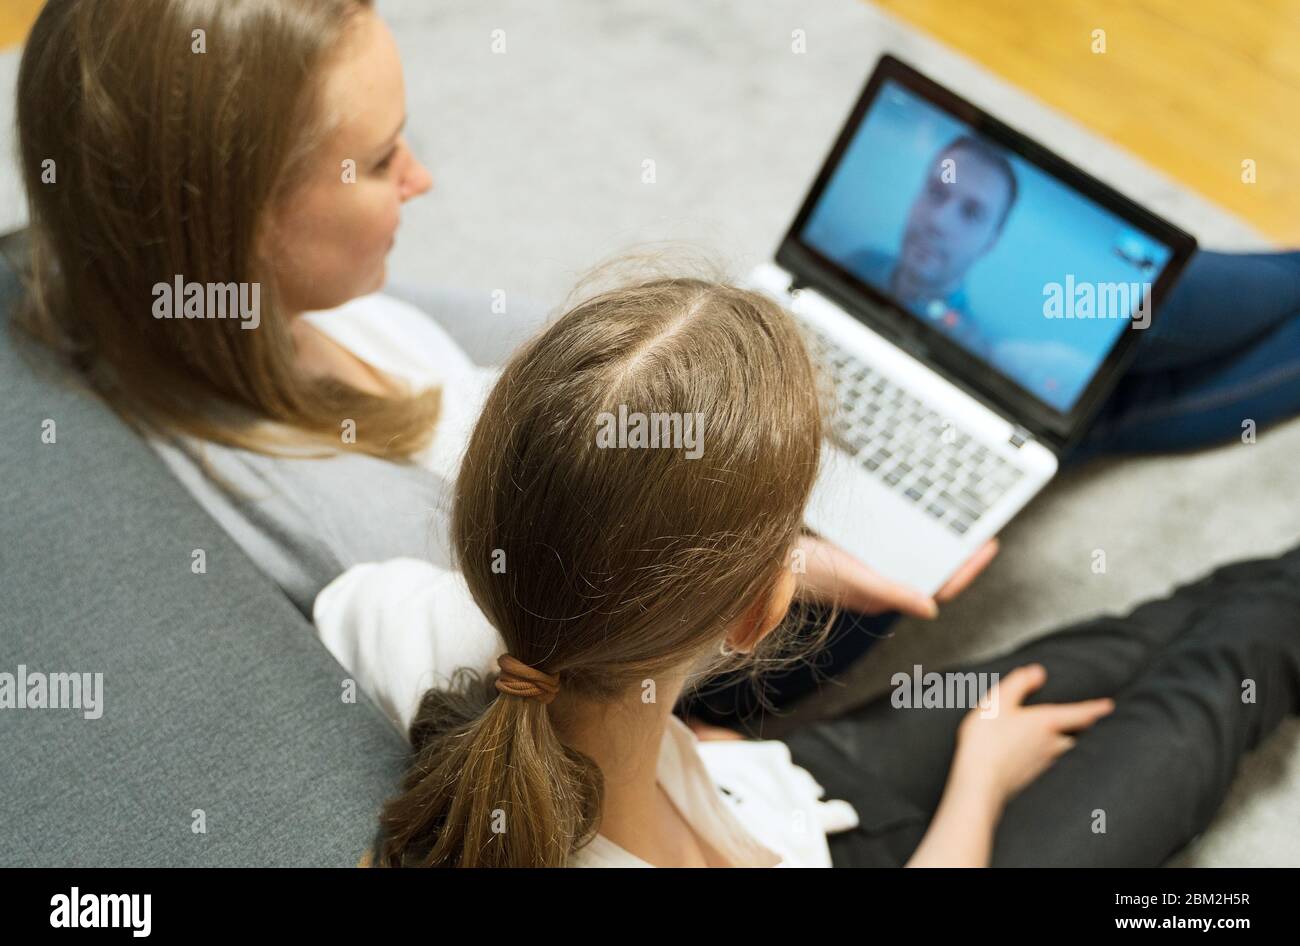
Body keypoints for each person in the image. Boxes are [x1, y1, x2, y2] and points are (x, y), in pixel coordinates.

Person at [14, 0, 1300, 721]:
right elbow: (569, 670)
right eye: (375, 160)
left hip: (644, 498)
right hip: (697, 634)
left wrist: (713, 341)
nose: (425, 177)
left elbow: (507, 337)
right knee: (1054, 386)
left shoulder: (216, 305)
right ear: (226, 217)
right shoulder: (322, 517)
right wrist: (777, 564)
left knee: (1051, 361)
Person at [314, 276, 1300, 867]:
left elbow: (345, 607)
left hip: (782, 796)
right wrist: (979, 784)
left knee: (1112, 652)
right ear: (754, 615)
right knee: (1218, 682)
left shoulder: (448, 617)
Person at [844, 135, 1017, 357]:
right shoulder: (858, 263)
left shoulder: (970, 351)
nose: (938, 222)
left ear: (990, 243)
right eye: (936, 193)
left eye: (971, 213)